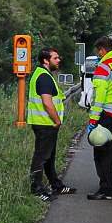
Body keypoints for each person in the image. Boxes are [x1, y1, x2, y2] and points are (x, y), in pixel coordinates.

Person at [84, 35, 112, 200]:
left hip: (106, 116)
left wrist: (93, 119)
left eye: (99, 52)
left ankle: (106, 190)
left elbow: (99, 97)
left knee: (102, 153)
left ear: (102, 49)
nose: (99, 55)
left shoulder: (103, 67)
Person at [27, 47, 75, 199]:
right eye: (55, 58)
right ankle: (37, 189)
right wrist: (56, 120)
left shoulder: (43, 74)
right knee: (41, 157)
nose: (59, 60)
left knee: (49, 156)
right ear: (46, 60)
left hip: (45, 123)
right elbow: (47, 103)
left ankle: (56, 185)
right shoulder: (44, 77)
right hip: (45, 124)